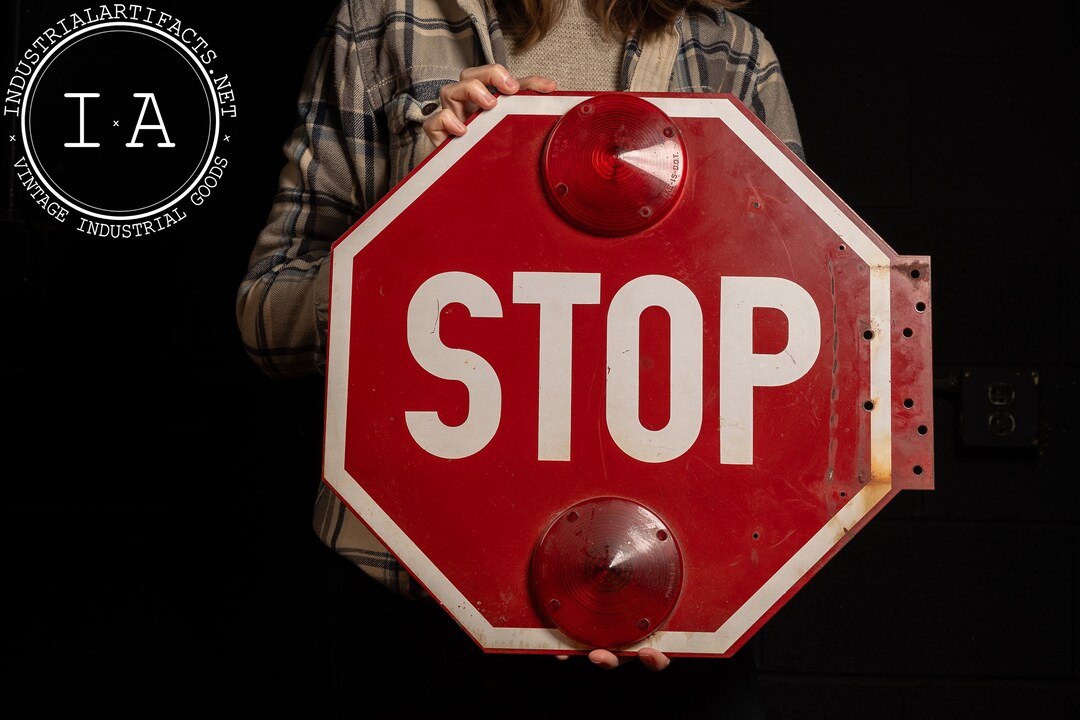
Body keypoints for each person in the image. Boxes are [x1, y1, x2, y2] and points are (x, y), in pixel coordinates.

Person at [236, 0, 802, 715]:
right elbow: (265, 315)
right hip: (415, 620)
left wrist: (712, 591)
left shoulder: (733, 52)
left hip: (666, 637)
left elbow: (796, 341)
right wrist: (409, 226)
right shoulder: (386, 22)